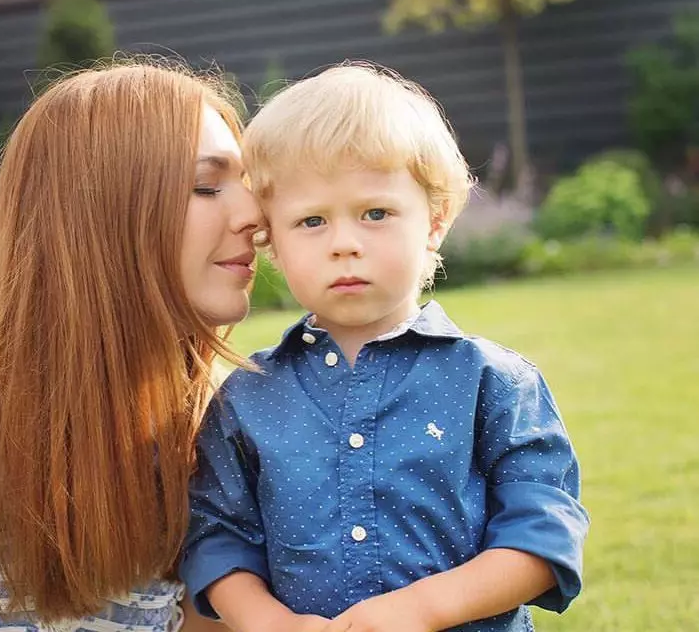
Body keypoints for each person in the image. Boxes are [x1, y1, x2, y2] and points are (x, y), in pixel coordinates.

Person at [0, 60, 261, 632]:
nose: (255, 216)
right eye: (206, 186)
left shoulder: (215, 425)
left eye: (248, 184)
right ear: (99, 213)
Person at [181, 63, 590, 632]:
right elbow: (216, 538)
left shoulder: (494, 382)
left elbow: (544, 535)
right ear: (270, 238)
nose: (345, 244)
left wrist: (419, 610)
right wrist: (270, 622)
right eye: (311, 221)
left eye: (375, 213)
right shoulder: (246, 398)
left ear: (435, 222)